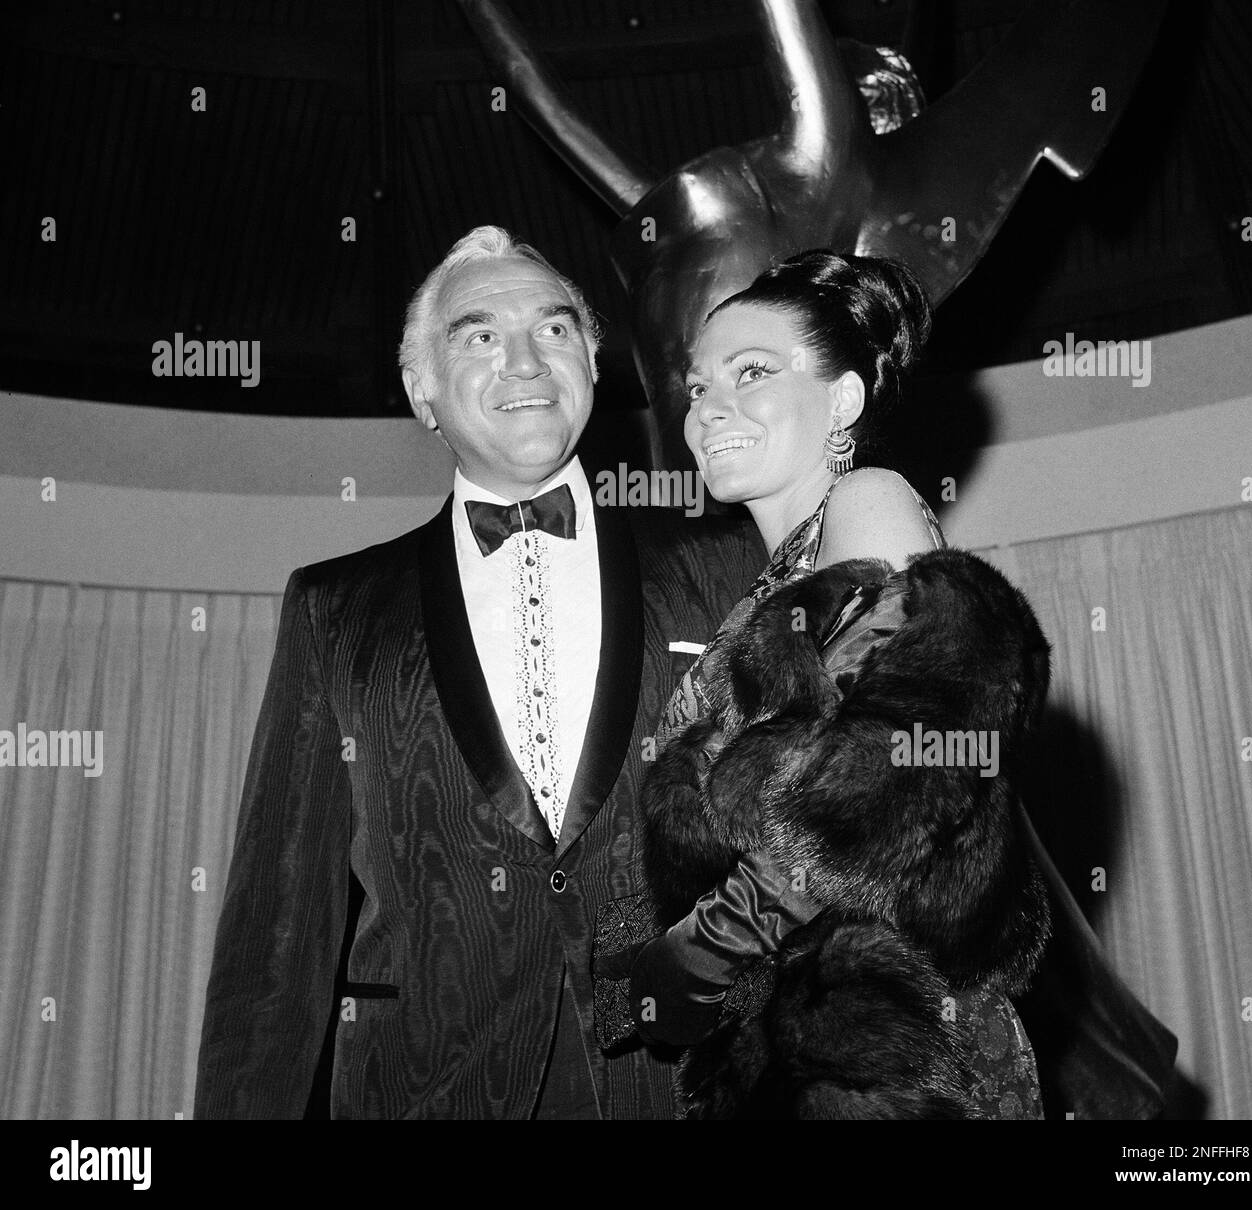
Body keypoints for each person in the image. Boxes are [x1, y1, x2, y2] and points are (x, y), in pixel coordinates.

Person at [193, 226, 761, 1119]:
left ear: (593, 362)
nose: (527, 360)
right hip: (421, 1088)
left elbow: (806, 849)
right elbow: (277, 927)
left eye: (556, 328)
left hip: (680, 1088)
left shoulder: (730, 563)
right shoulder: (333, 610)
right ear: (422, 390)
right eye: (480, 335)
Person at [593, 249, 1177, 1119]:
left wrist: (697, 957)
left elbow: (912, 771)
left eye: (751, 372)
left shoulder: (867, 499)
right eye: (696, 387)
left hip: (895, 1062)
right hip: (793, 1061)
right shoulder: (760, 595)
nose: (708, 408)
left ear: (844, 400)